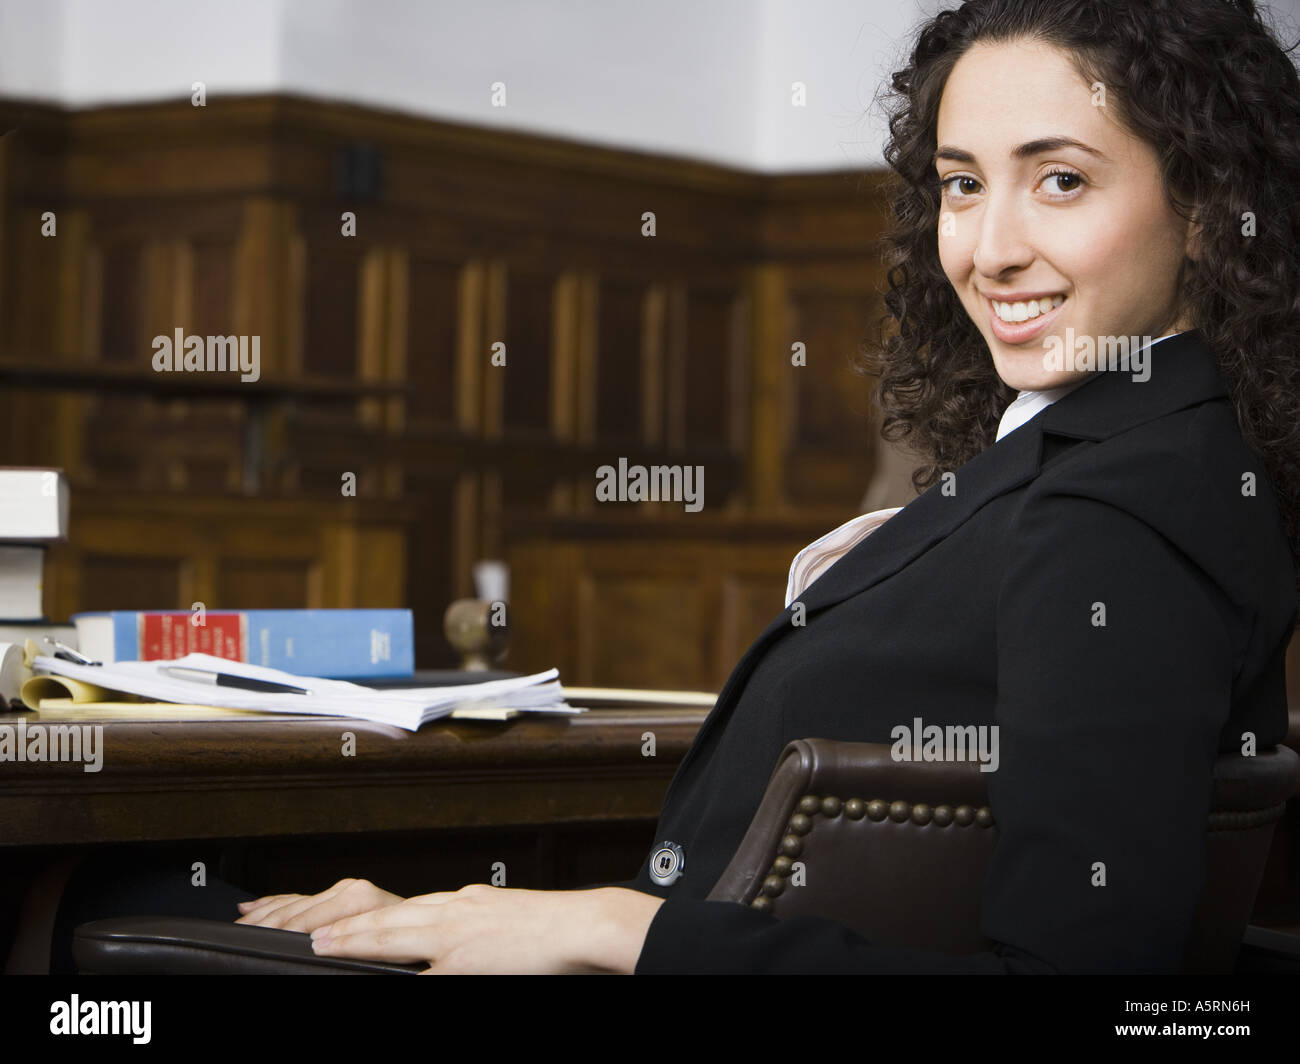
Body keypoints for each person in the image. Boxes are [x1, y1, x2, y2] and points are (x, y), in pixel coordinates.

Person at [52, 0, 1300, 973]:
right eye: (963, 182)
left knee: (95, 904)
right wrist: (493, 909)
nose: (989, 246)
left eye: (1061, 179)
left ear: (1202, 206)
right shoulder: (1125, 464)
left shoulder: (1112, 512)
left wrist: (612, 926)